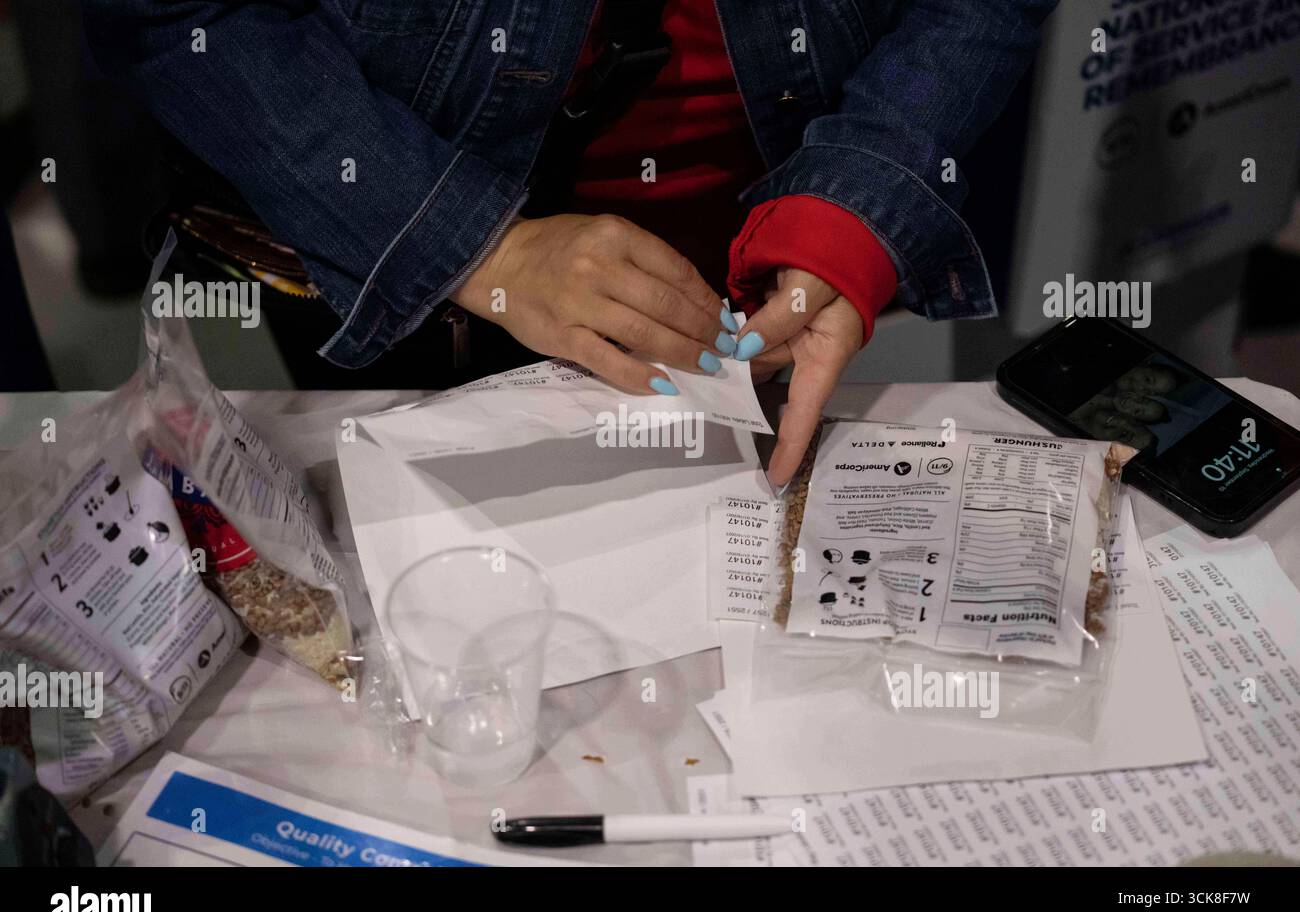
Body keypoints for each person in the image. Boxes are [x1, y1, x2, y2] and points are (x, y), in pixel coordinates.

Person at [85, 0, 1057, 485]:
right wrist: (473, 249)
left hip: (772, 216)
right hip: (390, 231)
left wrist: (864, 188)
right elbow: (172, 15)